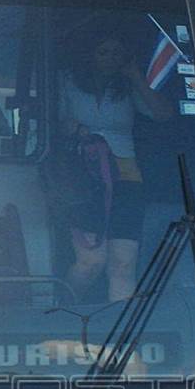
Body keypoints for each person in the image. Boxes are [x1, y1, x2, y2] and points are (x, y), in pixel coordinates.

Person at [59, 30, 173, 301]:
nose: (111, 58)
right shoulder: (65, 81)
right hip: (84, 179)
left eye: (117, 53)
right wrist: (76, 130)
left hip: (127, 179)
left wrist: (135, 75)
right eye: (104, 52)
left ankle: (122, 335)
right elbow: (56, 118)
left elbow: (164, 114)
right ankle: (60, 310)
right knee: (91, 264)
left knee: (123, 265)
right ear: (89, 55)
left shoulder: (126, 87)